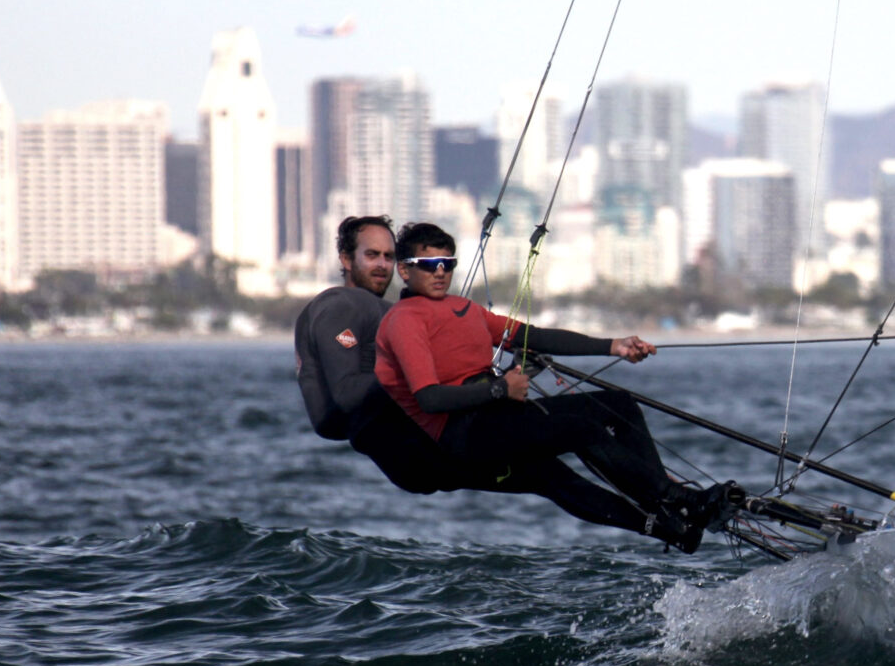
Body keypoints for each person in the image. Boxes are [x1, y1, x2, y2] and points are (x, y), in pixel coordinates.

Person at [372, 221, 733, 551]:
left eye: (447, 263)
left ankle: (666, 508)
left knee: (617, 406)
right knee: (577, 433)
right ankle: (678, 499)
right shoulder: (404, 320)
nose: (440, 272)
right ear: (404, 270)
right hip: (464, 432)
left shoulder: (465, 308)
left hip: (501, 414)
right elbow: (429, 398)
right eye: (428, 264)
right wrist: (499, 389)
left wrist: (613, 346)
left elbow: (534, 336)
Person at [293, 214, 481, 493]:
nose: (382, 265)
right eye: (372, 255)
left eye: (388, 257)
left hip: (406, 437)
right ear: (346, 260)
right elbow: (347, 394)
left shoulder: (387, 311)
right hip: (383, 435)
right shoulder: (340, 304)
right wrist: (413, 366)